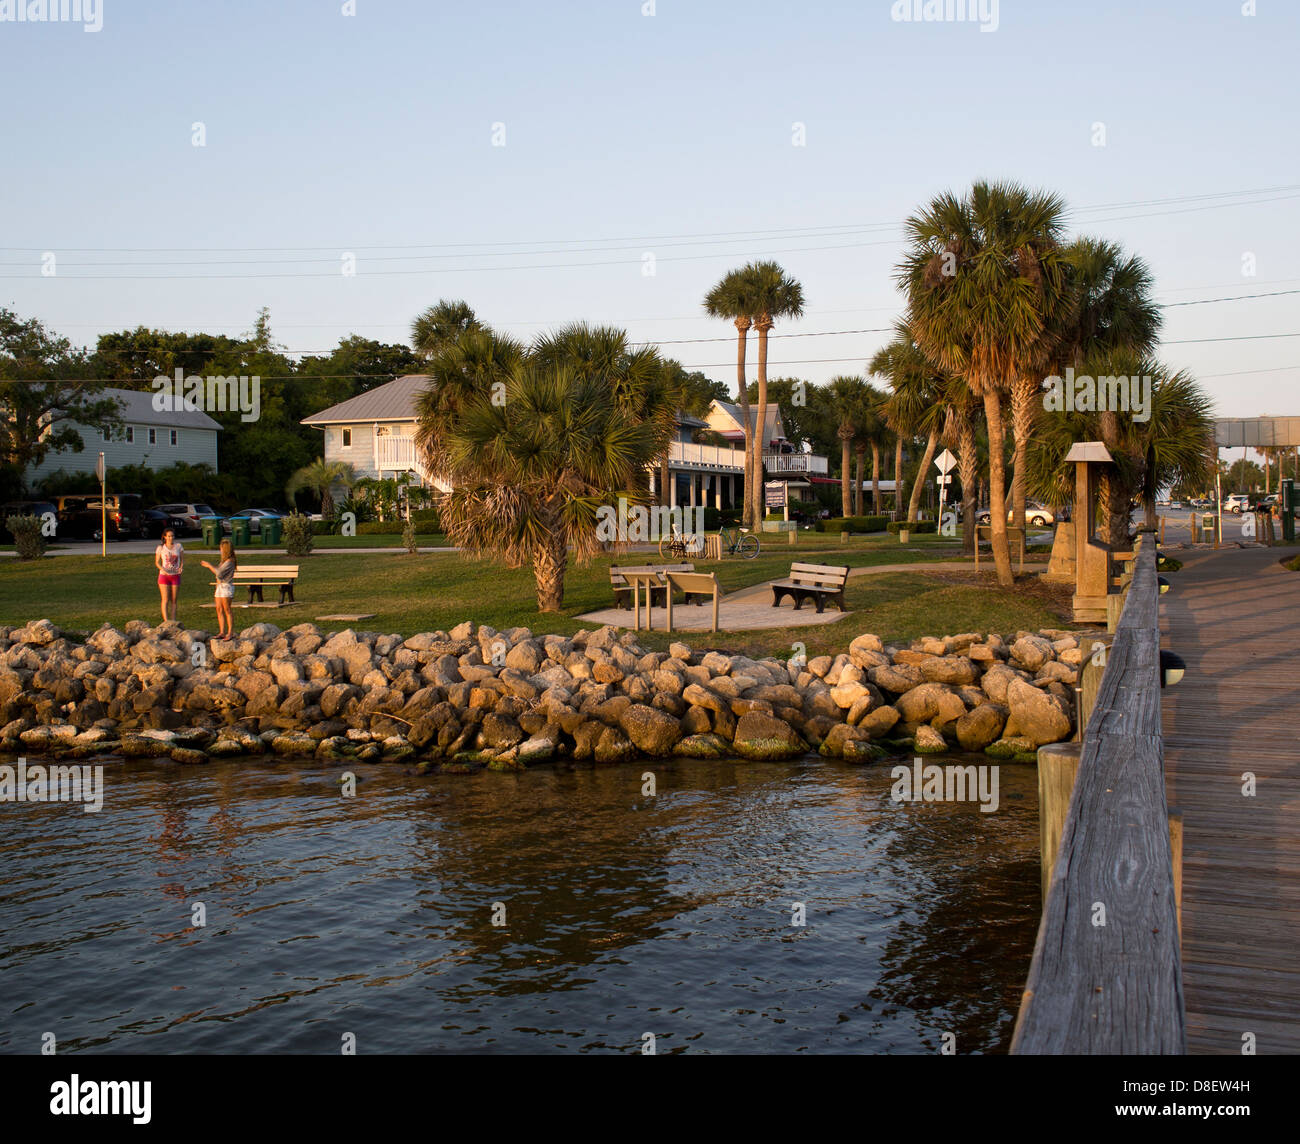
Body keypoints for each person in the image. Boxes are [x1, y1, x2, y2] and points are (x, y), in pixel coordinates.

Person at [200, 540, 237, 640]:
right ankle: (222, 631)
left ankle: (230, 632)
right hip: (220, 587)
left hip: (226, 587)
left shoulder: (230, 562)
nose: (220, 550)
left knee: (227, 609)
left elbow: (219, 573)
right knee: (219, 609)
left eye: (221, 548)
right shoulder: (223, 561)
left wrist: (209, 565)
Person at [154, 528, 184, 623]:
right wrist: (163, 570)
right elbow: (157, 562)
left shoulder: (178, 546)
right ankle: (166, 621)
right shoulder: (161, 548)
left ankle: (173, 620)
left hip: (175, 575)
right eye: (169, 536)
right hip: (164, 576)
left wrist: (181, 567)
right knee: (165, 599)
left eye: (172, 536)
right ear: (165, 537)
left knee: (174, 600)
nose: (171, 538)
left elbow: (182, 560)